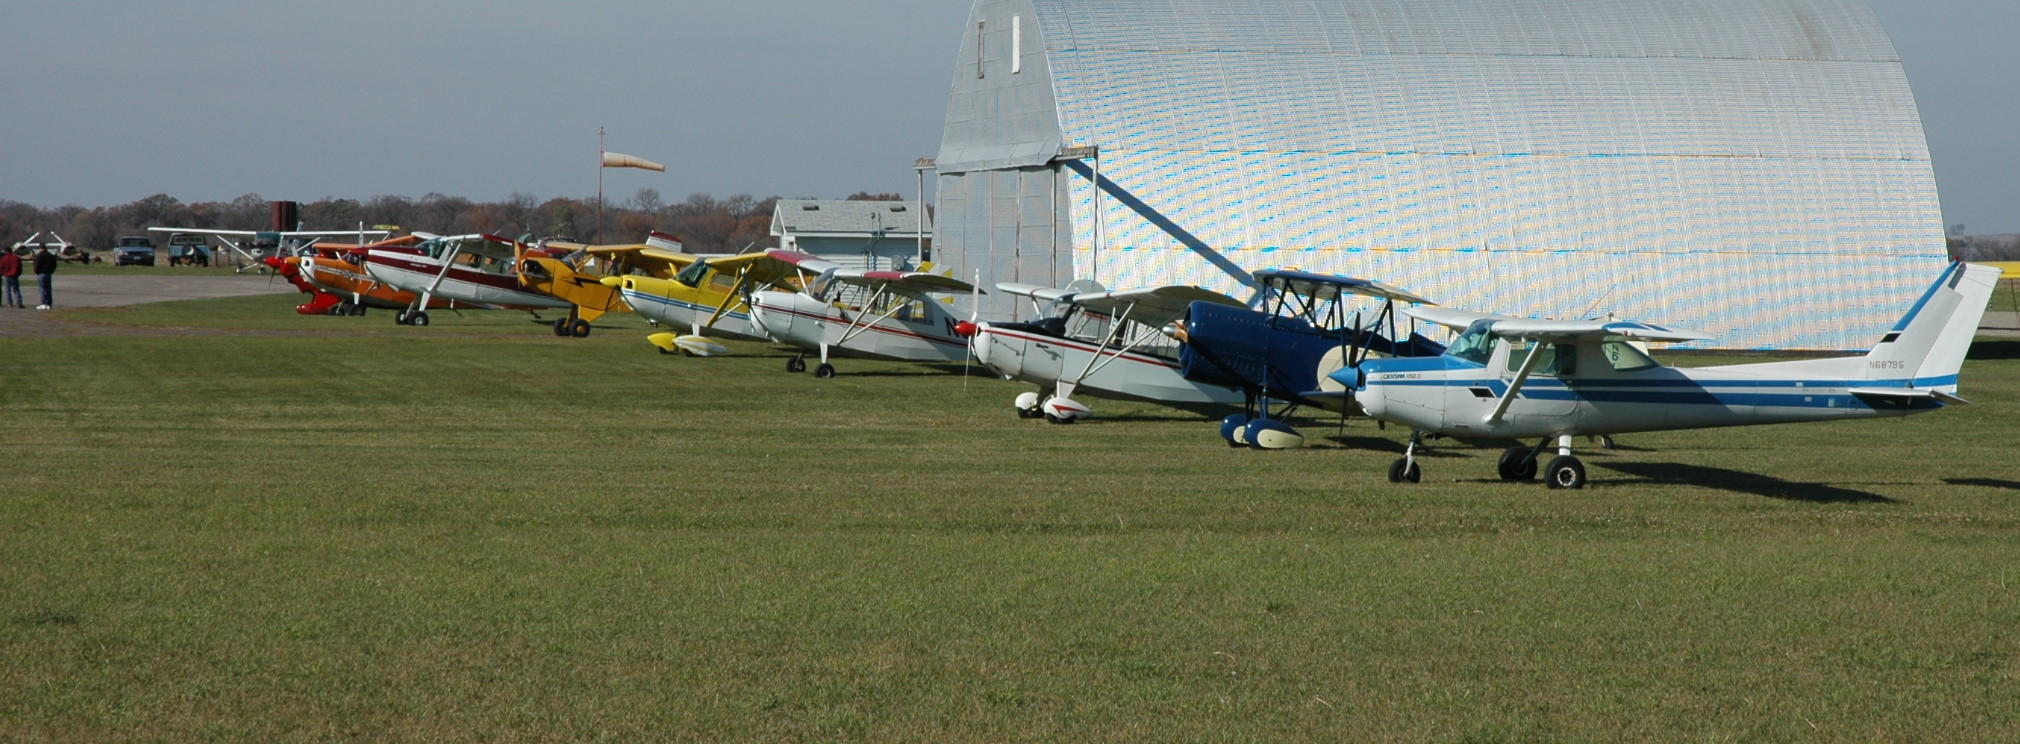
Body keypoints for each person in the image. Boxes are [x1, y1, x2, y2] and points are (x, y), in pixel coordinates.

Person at [33, 245, 56, 310]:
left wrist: (36, 271)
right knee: (48, 289)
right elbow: (54, 264)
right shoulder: (50, 255)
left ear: (40, 248)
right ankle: (49, 304)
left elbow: (36, 265)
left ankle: (43, 304)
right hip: (49, 274)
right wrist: (51, 271)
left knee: (42, 289)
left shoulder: (39, 255)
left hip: (41, 273)